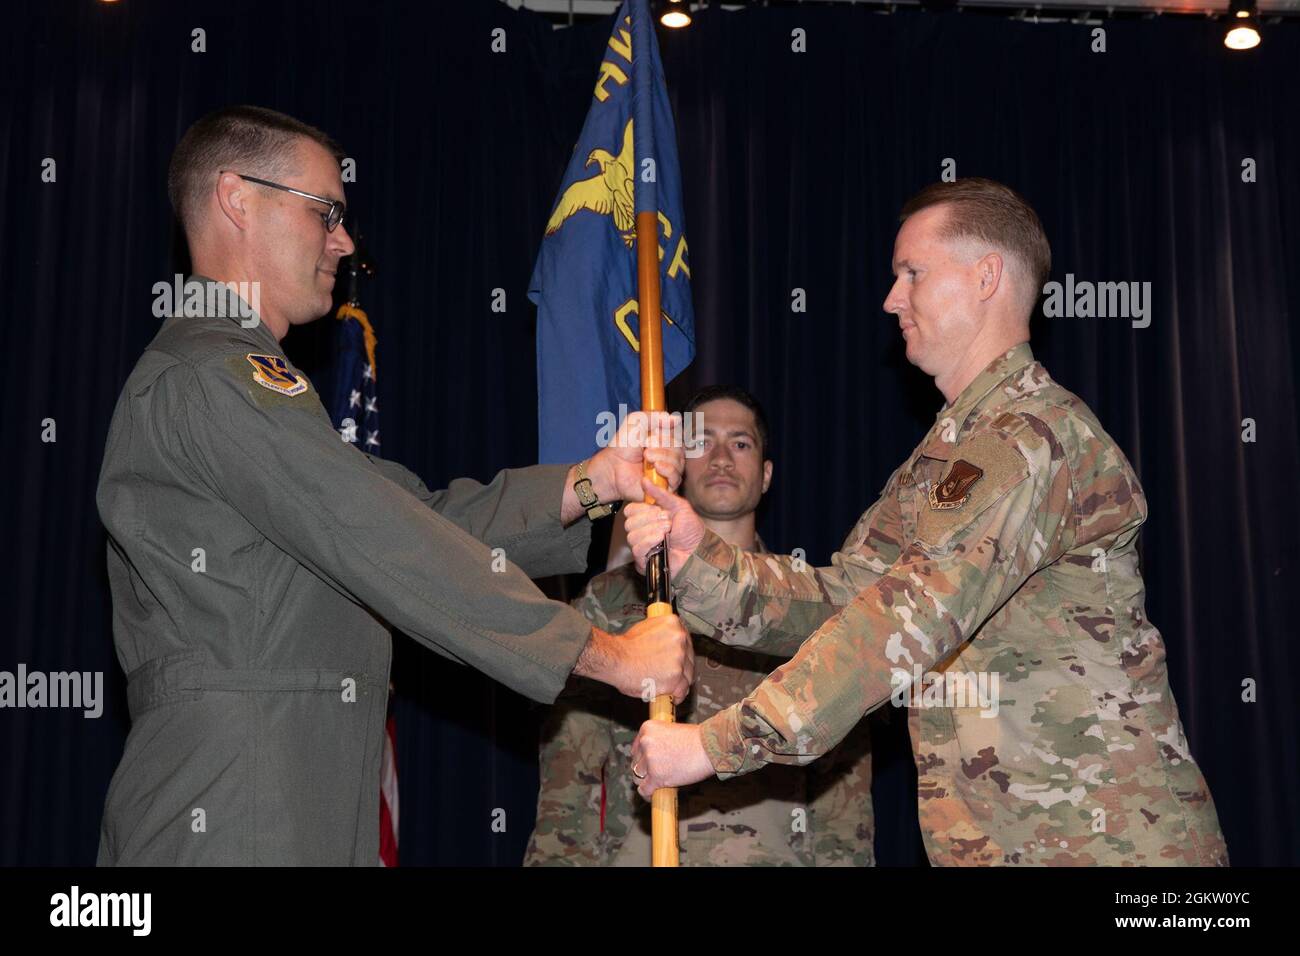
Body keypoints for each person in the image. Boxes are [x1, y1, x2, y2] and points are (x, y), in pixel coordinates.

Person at [96, 105, 691, 865]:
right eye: (327, 213)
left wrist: (592, 482)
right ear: (236, 199)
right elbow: (387, 540)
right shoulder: (211, 377)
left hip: (288, 798)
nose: (344, 241)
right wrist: (610, 656)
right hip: (236, 809)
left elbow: (414, 517)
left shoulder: (242, 386)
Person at [626, 178, 1229, 866]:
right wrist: (697, 555)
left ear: (986, 278)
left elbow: (904, 617)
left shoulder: (1031, 436)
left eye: (912, 272)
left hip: (1108, 847)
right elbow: (843, 599)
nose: (891, 298)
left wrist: (713, 744)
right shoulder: (944, 458)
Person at [524, 387, 874, 866]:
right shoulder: (614, 600)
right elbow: (570, 768)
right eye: (701, 441)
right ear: (677, 465)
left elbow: (842, 780)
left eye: (741, 443)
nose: (722, 458)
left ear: (767, 475)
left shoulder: (806, 607)